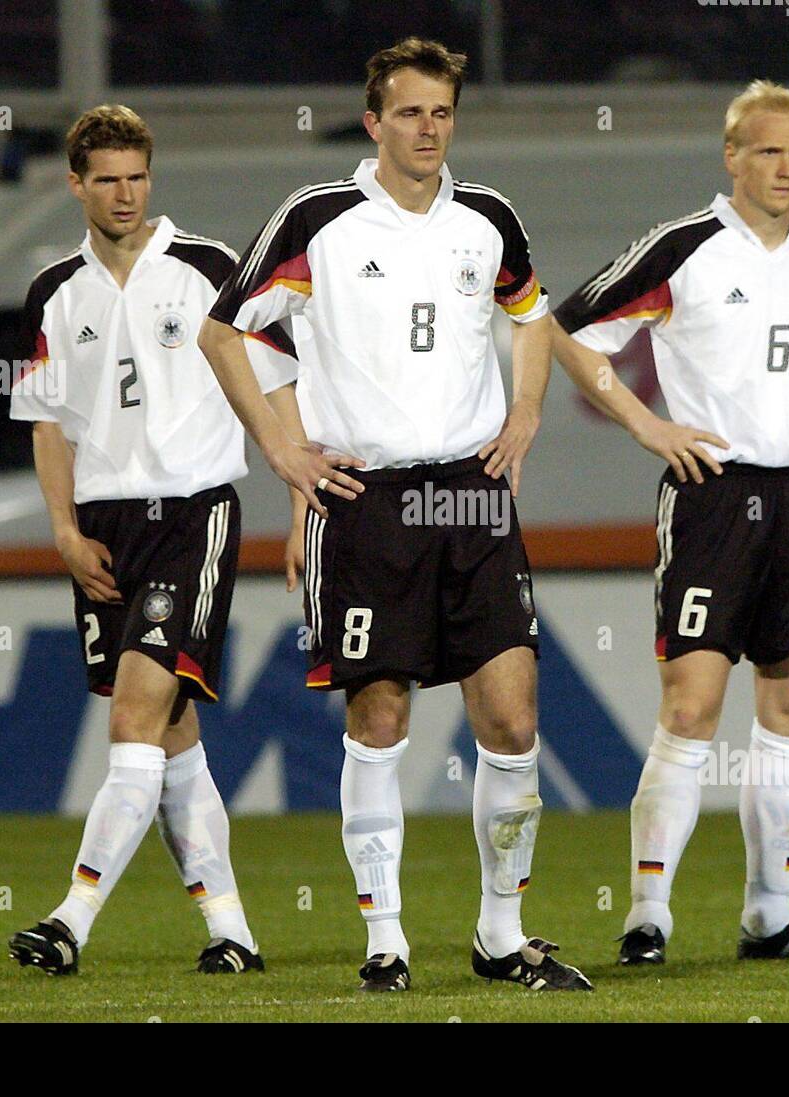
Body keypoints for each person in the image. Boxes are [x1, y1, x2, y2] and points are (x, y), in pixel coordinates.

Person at [199, 38, 592, 993]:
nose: (428, 129)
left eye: (443, 112)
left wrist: (529, 408)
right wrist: (283, 453)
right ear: (374, 121)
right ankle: (386, 937)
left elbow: (534, 316)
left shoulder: (487, 219)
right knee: (378, 719)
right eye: (409, 112)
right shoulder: (319, 220)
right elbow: (224, 331)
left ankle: (503, 935)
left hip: (472, 496)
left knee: (511, 718)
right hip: (366, 502)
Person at [553, 80, 789, 963]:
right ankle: (647, 913)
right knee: (692, 707)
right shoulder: (684, 246)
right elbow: (568, 329)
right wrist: (649, 425)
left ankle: (770, 917)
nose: (785, 169)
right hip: (713, 497)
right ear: (731, 155)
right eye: (768, 152)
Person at [7, 104, 294, 975]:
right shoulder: (52, 291)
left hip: (192, 511)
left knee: (135, 716)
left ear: (151, 178)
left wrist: (302, 495)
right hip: (102, 526)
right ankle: (233, 930)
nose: (125, 193)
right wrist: (61, 527)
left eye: (137, 176)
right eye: (107, 179)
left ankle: (70, 918)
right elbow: (48, 424)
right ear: (76, 185)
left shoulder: (211, 268)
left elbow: (274, 381)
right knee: (170, 738)